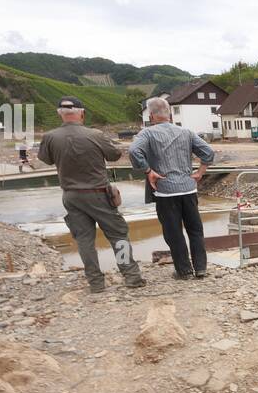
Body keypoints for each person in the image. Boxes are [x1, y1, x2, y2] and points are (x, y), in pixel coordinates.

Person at [37, 96, 144, 294]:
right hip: (98, 194)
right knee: (118, 235)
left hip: (71, 196)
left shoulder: (50, 137)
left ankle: (95, 283)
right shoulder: (95, 134)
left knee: (84, 240)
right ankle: (131, 276)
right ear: (82, 113)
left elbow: (46, 159)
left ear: (59, 114)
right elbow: (114, 155)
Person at [128, 97, 214, 280]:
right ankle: (201, 268)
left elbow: (134, 151)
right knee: (195, 230)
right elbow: (208, 152)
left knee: (174, 232)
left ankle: (184, 271)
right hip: (188, 189)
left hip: (165, 191)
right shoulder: (186, 132)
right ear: (169, 115)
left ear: (151, 115)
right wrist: (200, 172)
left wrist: (148, 170)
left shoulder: (147, 134)